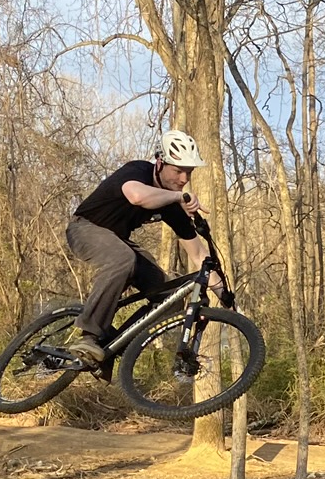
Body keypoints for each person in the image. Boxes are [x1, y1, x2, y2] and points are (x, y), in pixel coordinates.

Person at [64, 128, 222, 366]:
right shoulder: (138, 171)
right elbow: (137, 196)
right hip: (84, 228)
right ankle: (89, 335)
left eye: (188, 173)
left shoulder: (171, 202)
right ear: (160, 163)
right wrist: (180, 198)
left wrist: (228, 298)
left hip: (117, 240)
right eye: (178, 171)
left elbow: (199, 254)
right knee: (122, 259)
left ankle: (110, 347)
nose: (183, 179)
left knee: (170, 299)